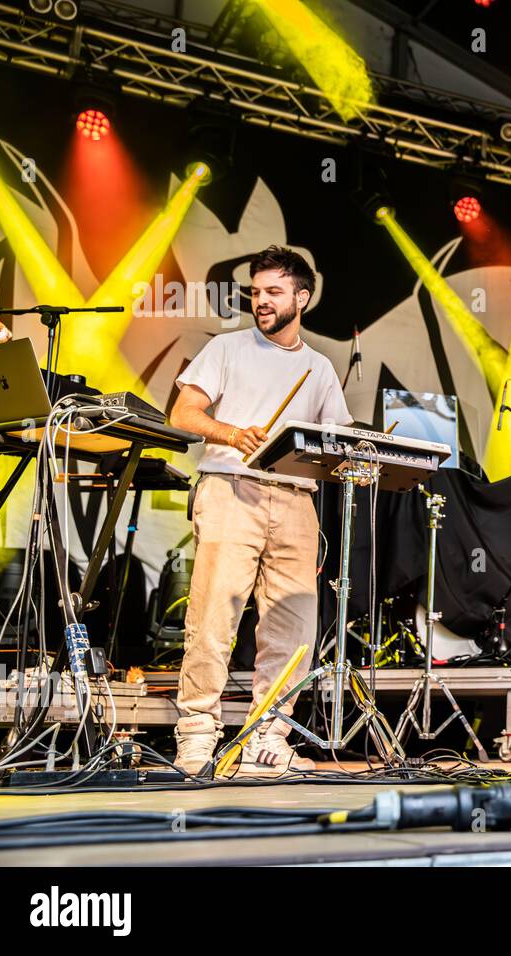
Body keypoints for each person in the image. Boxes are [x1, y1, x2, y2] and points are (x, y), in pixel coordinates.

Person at [169, 245, 351, 776]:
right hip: (231, 489)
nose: (261, 301)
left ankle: (266, 737)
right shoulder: (227, 348)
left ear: (303, 297)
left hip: (296, 500)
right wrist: (230, 432)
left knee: (293, 629)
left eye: (273, 292)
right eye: (256, 292)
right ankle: (198, 735)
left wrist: (352, 453)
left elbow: (333, 441)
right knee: (212, 618)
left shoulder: (319, 368)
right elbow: (183, 412)